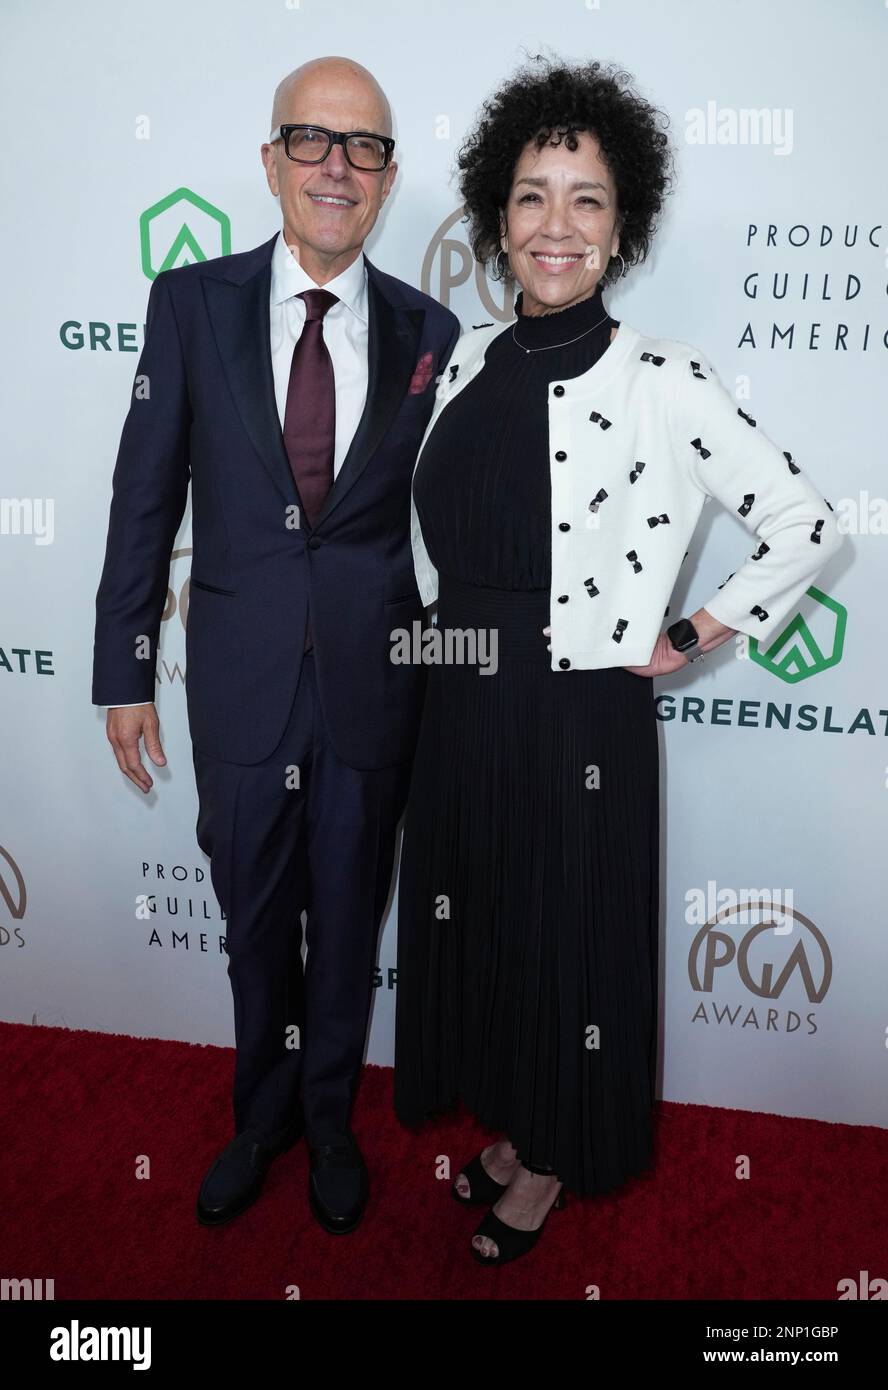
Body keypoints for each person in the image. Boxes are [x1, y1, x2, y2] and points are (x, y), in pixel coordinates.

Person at [394, 55, 844, 1265]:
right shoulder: (473, 359)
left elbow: (811, 523)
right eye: (533, 194)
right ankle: (509, 1116)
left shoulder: (661, 378)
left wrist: (693, 633)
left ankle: (549, 1160)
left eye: (585, 198)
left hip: (573, 713)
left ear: (621, 225)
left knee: (561, 937)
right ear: (500, 215)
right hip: (461, 699)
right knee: (484, 923)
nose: (557, 224)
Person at [92, 55, 459, 1235]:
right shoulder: (190, 304)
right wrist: (122, 669)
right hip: (240, 688)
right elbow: (143, 494)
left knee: (349, 920)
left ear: (390, 176)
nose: (336, 167)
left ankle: (335, 1117)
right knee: (255, 922)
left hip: (371, 687)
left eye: (361, 147)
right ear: (271, 161)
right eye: (311, 139)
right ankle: (263, 1118)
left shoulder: (432, 329)